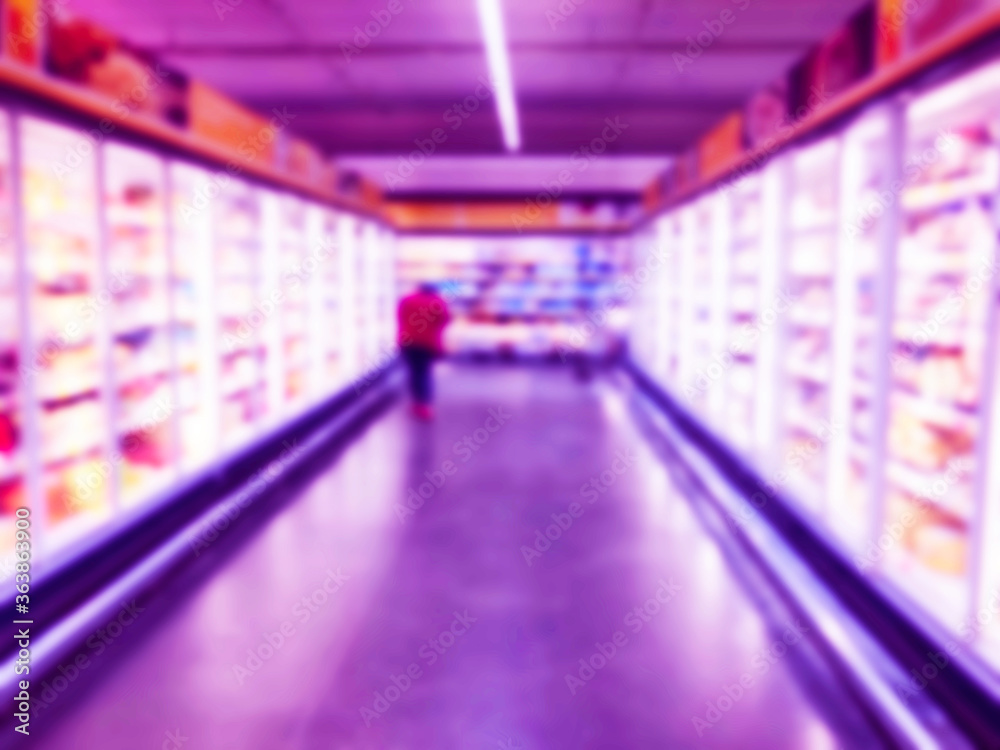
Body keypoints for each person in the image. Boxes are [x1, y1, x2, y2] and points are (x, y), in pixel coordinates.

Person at [398, 282, 451, 419]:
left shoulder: (407, 300)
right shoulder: (438, 302)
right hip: (428, 343)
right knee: (425, 372)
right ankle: (425, 405)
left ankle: (416, 402)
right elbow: (445, 320)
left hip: (408, 340)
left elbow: (400, 316)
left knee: (413, 372)